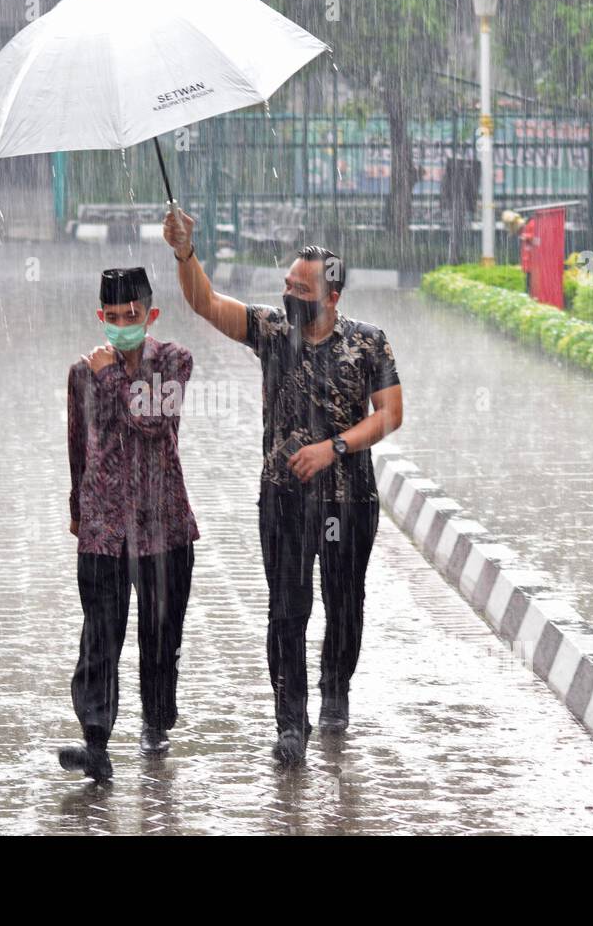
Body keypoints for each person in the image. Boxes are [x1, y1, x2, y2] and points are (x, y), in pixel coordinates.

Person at [163, 211, 403, 767]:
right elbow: (205, 302)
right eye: (288, 285)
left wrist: (334, 447)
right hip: (284, 499)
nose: (290, 294)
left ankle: (335, 688)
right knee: (287, 609)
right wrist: (185, 253)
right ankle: (290, 721)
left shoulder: (368, 344)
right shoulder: (271, 330)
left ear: (333, 294)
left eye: (303, 288)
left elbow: (390, 414)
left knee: (345, 605)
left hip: (349, 498)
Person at [60, 266, 199, 782]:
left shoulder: (175, 362)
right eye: (112, 317)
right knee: (99, 636)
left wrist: (111, 376)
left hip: (164, 526)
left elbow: (152, 421)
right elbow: (78, 443)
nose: (121, 325)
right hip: (102, 527)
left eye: (131, 316)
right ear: (101, 317)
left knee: (161, 635)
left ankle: (156, 719)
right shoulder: (81, 371)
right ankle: (95, 741)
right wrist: (78, 507)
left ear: (150, 314)